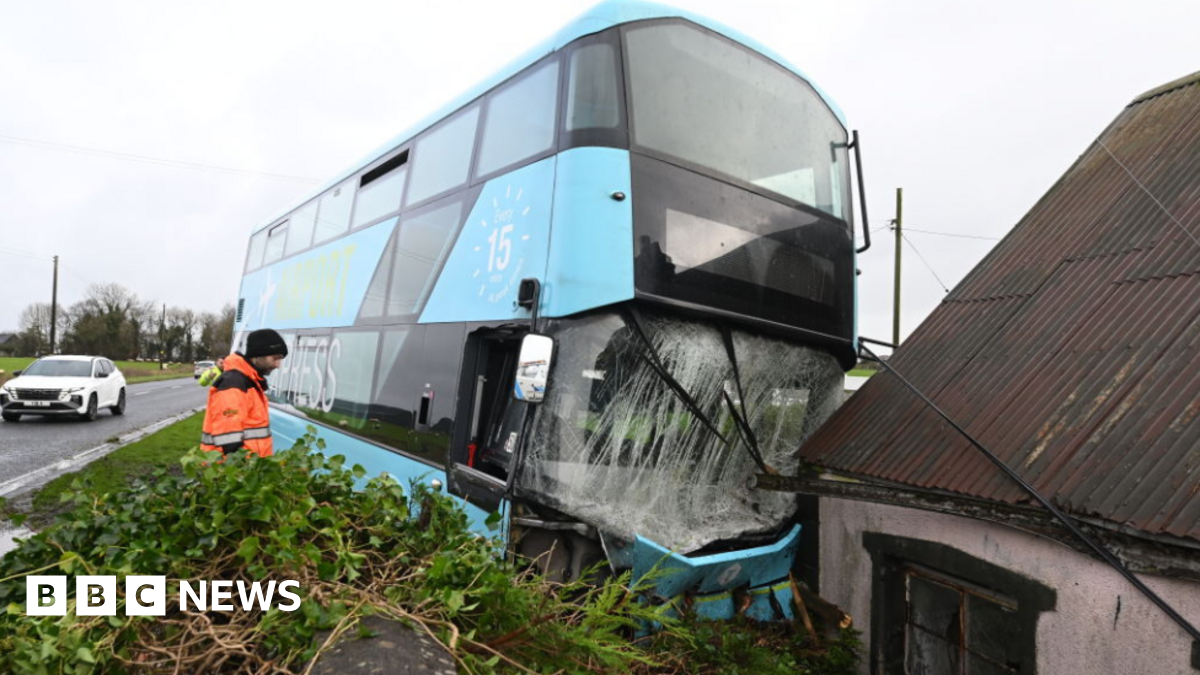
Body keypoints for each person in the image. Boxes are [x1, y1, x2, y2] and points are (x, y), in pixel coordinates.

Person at [201, 329, 288, 458]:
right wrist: (247, 474)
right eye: (275, 358)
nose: (278, 365)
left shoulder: (250, 382)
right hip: (233, 473)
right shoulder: (235, 384)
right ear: (257, 355)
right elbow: (229, 442)